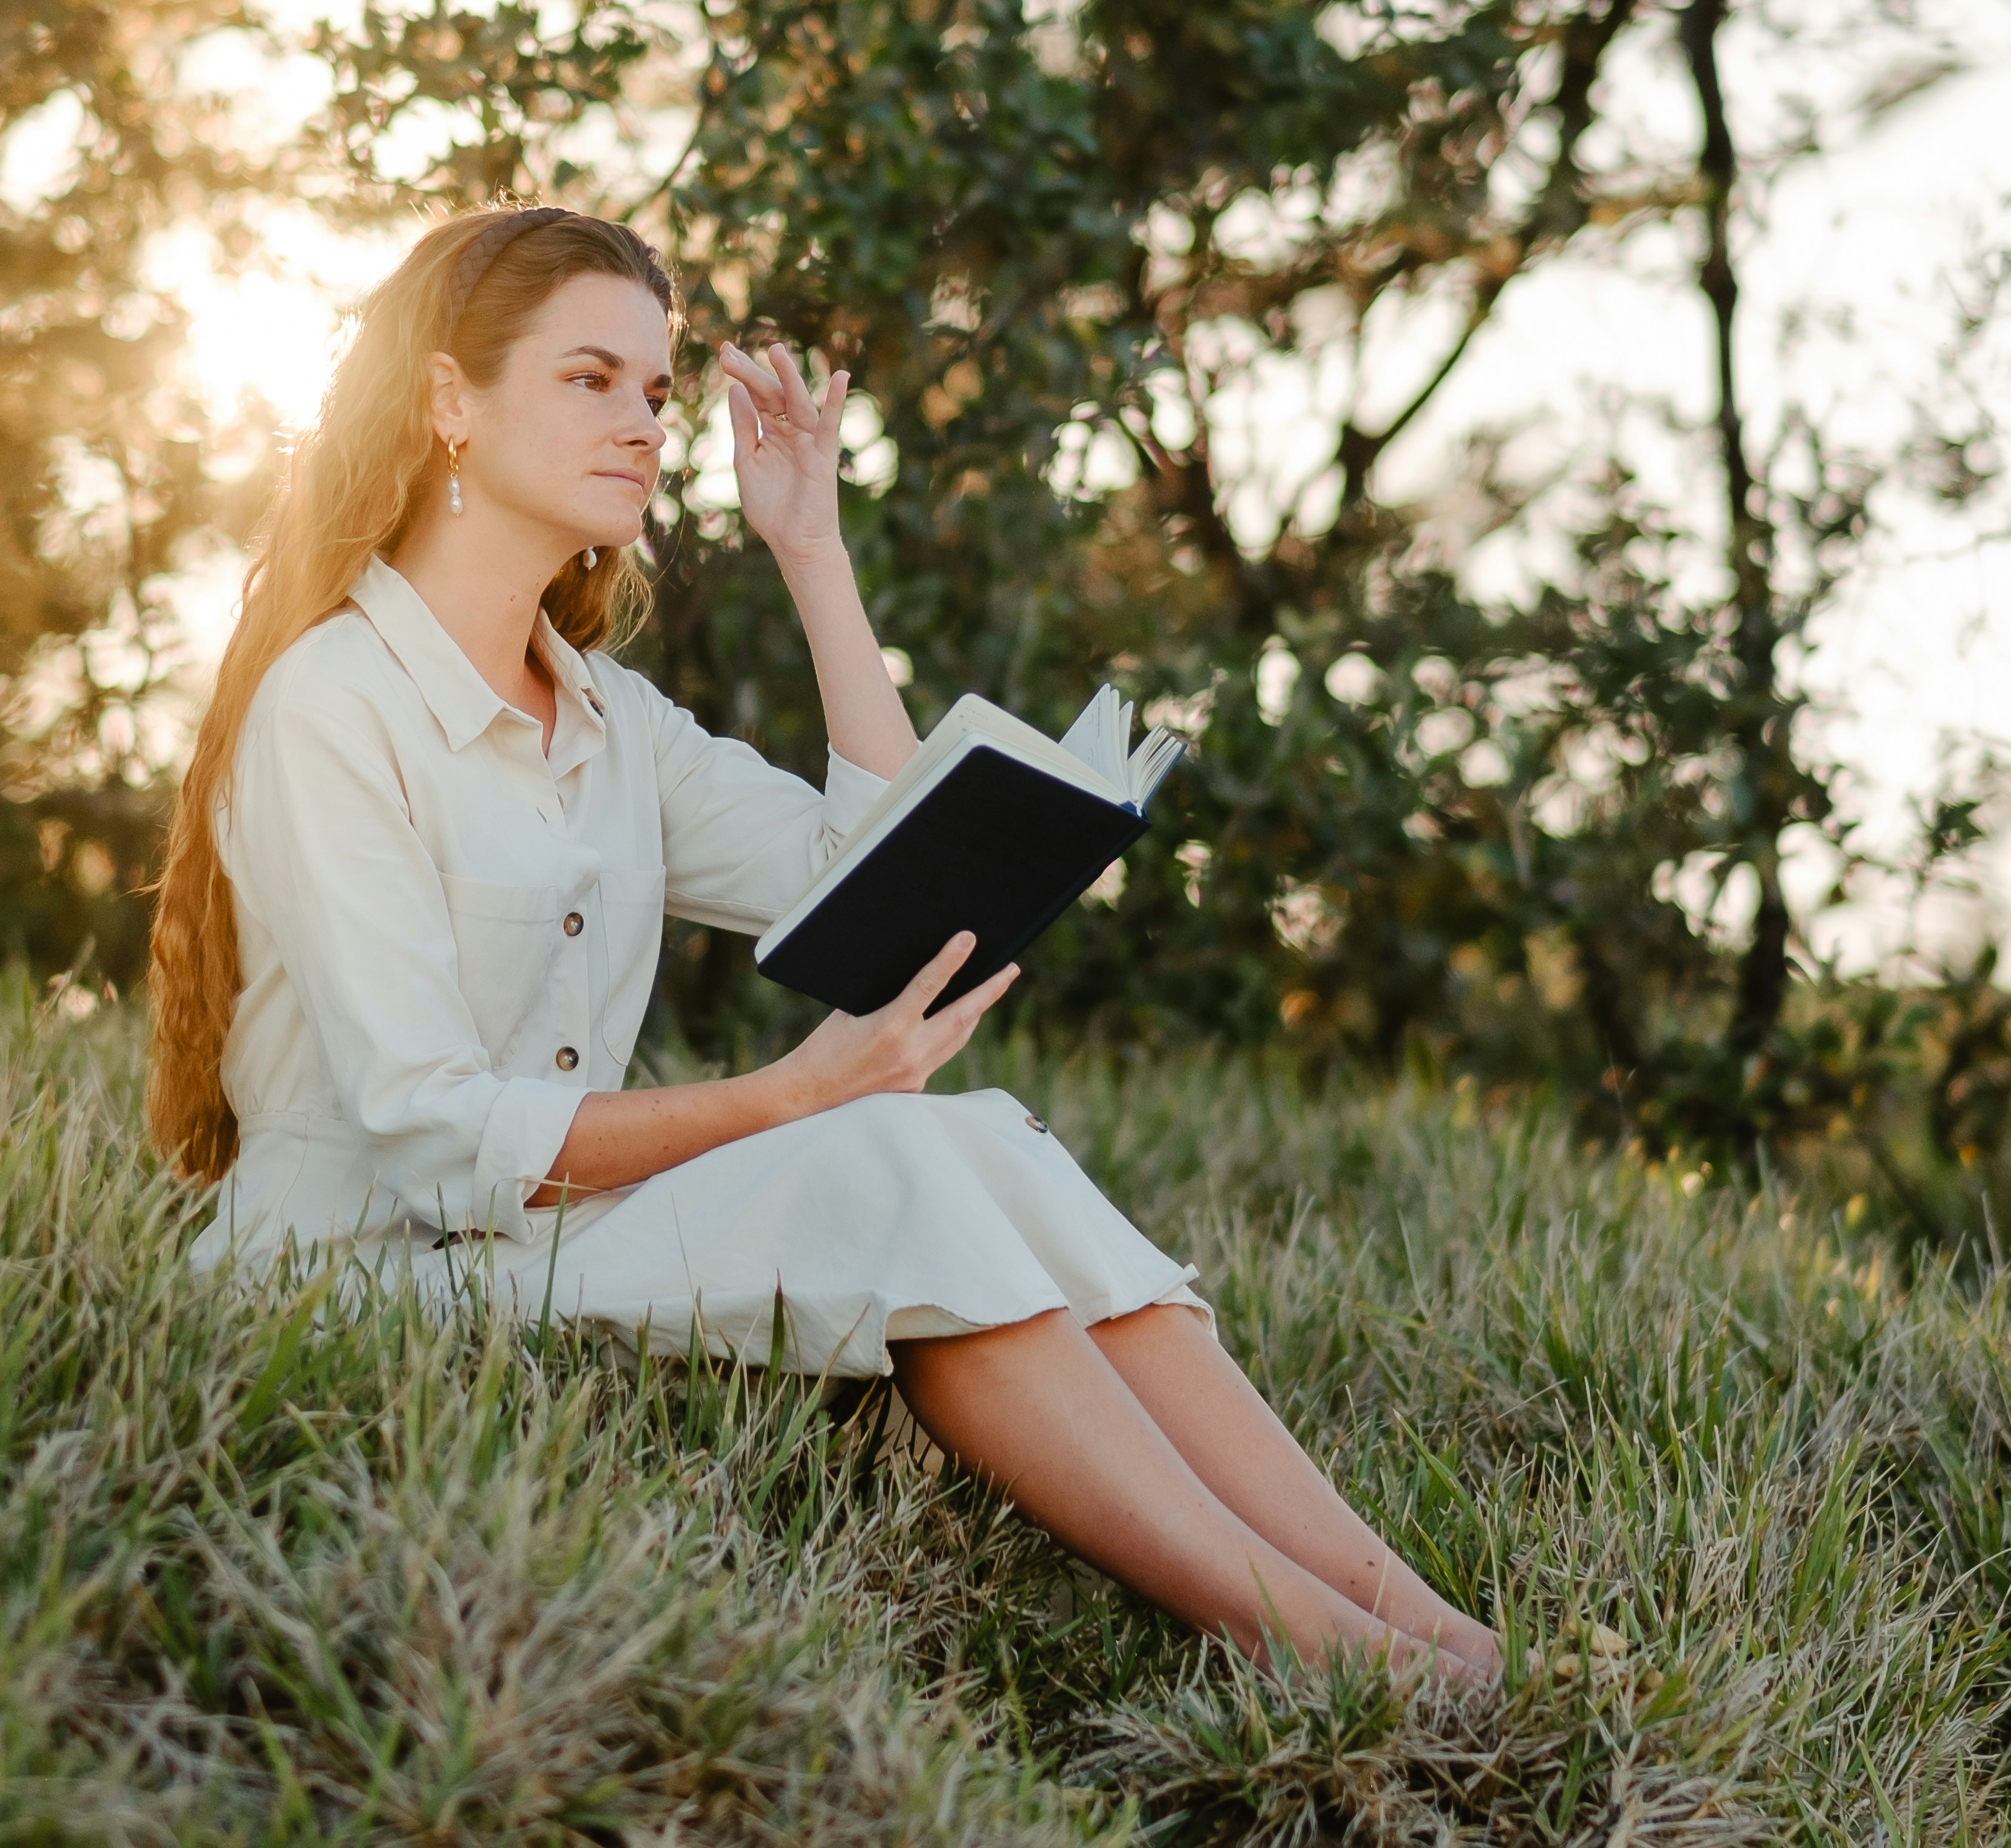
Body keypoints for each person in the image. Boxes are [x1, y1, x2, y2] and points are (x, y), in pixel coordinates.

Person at [148, 203, 1496, 1674]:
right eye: (590, 379)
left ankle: (1427, 1627)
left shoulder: (605, 719)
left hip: (537, 1245)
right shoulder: (334, 704)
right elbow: (431, 1133)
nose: (642, 426)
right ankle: (1315, 1644)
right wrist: (799, 1094)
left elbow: (867, 874)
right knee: (878, 1148)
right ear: (447, 401)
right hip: (359, 1291)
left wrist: (812, 548)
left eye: (656, 394)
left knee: (977, 1138)